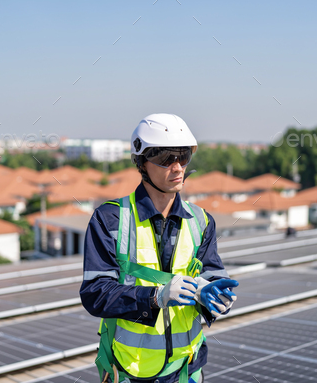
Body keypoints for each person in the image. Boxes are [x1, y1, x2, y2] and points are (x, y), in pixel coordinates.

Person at [80, 113, 238, 383]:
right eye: (166, 158)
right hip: (132, 371)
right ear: (142, 161)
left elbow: (211, 273)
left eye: (184, 156)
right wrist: (154, 298)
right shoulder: (110, 220)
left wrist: (213, 296)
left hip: (187, 368)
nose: (177, 168)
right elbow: (95, 293)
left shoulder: (201, 222)